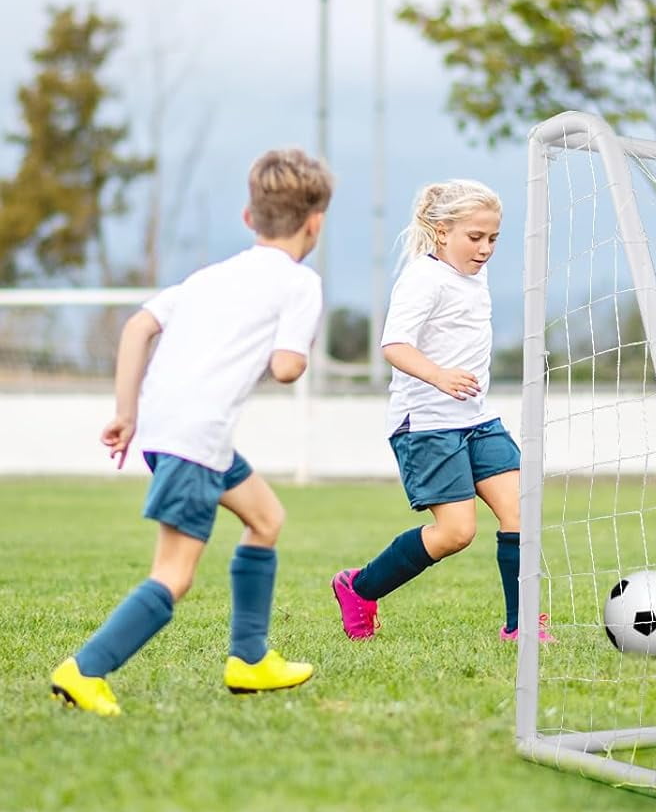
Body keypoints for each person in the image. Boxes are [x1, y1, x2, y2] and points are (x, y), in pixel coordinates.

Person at [49, 147, 334, 716]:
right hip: (196, 438)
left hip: (167, 427)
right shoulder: (299, 284)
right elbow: (285, 367)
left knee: (266, 518)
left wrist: (126, 413)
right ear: (315, 222)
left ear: (249, 219)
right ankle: (84, 671)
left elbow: (138, 326)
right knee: (174, 576)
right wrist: (295, 354)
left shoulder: (209, 277)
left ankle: (249, 662)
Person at [331, 178, 550, 645]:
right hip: (427, 425)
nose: (486, 249)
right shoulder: (422, 278)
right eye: (475, 237)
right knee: (455, 533)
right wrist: (439, 375)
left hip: (477, 420)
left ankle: (521, 628)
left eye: (493, 238)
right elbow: (393, 344)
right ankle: (359, 587)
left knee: (521, 511)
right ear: (440, 230)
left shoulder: (474, 271)